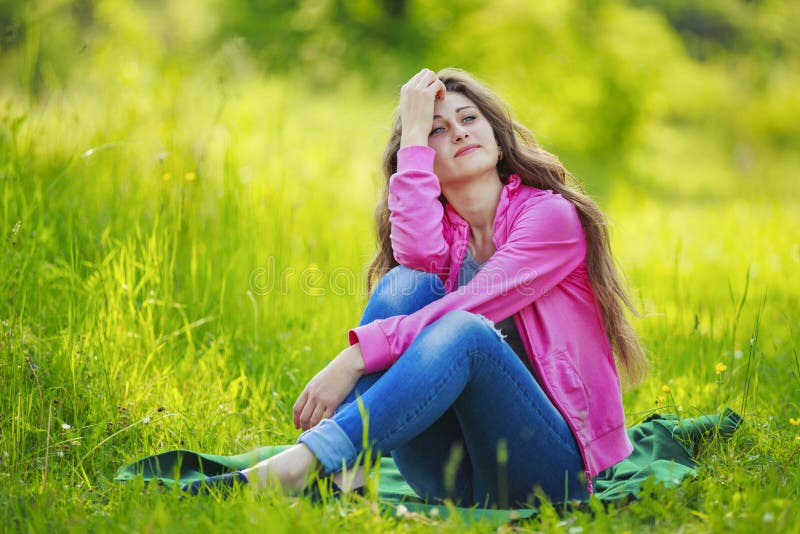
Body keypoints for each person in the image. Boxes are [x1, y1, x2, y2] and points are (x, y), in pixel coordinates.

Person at [184, 67, 646, 507]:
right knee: (404, 285)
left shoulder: (549, 219)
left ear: (500, 142)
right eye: (438, 130)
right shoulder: (448, 233)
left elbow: (472, 306)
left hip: (547, 469)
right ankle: (350, 474)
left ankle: (306, 462)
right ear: (424, 159)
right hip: (450, 476)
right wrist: (411, 135)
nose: (460, 132)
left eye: (468, 119)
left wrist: (356, 355)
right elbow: (416, 257)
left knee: (467, 330)